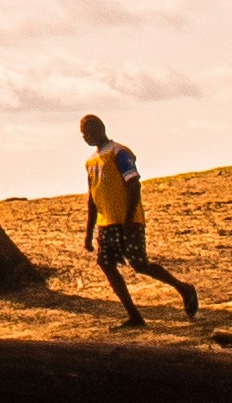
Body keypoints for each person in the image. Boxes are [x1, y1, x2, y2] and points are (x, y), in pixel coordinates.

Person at [77, 112, 198, 328]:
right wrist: (88, 232)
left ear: (98, 129)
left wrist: (129, 218)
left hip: (128, 220)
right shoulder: (91, 162)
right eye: (82, 133)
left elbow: (134, 185)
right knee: (105, 263)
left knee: (140, 264)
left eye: (86, 132)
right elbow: (92, 197)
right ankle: (134, 315)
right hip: (106, 223)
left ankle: (184, 288)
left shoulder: (120, 153)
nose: (84, 137)